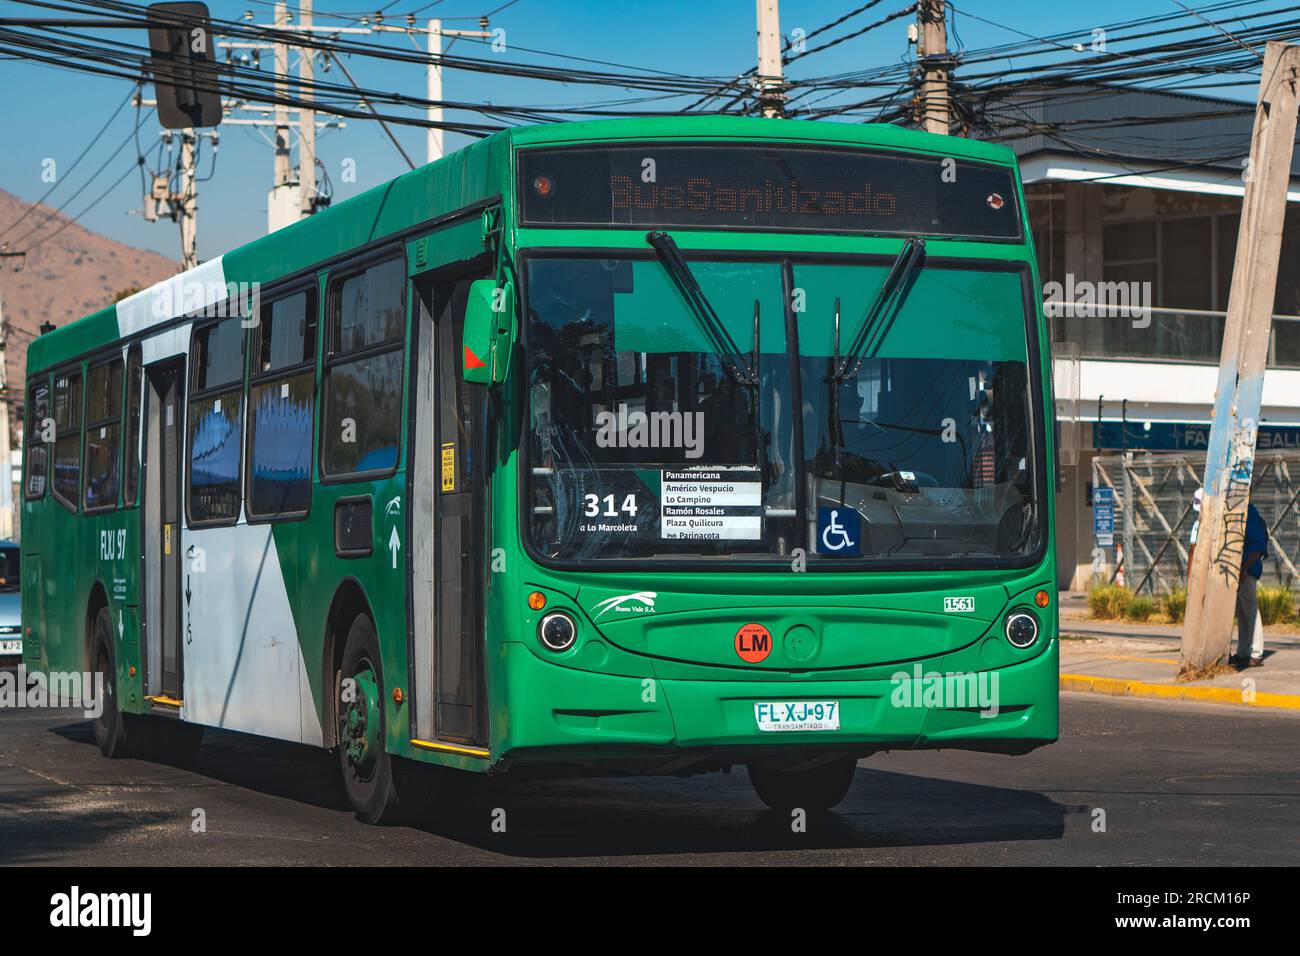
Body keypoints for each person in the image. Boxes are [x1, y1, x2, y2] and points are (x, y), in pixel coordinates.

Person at [1231, 502, 1268, 668]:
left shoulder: (1249, 512)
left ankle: (1255, 653)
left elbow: (1258, 546)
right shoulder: (1243, 510)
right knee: (1242, 612)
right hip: (1241, 570)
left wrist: (1245, 568)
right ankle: (1243, 651)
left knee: (1250, 611)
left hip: (1246, 570)